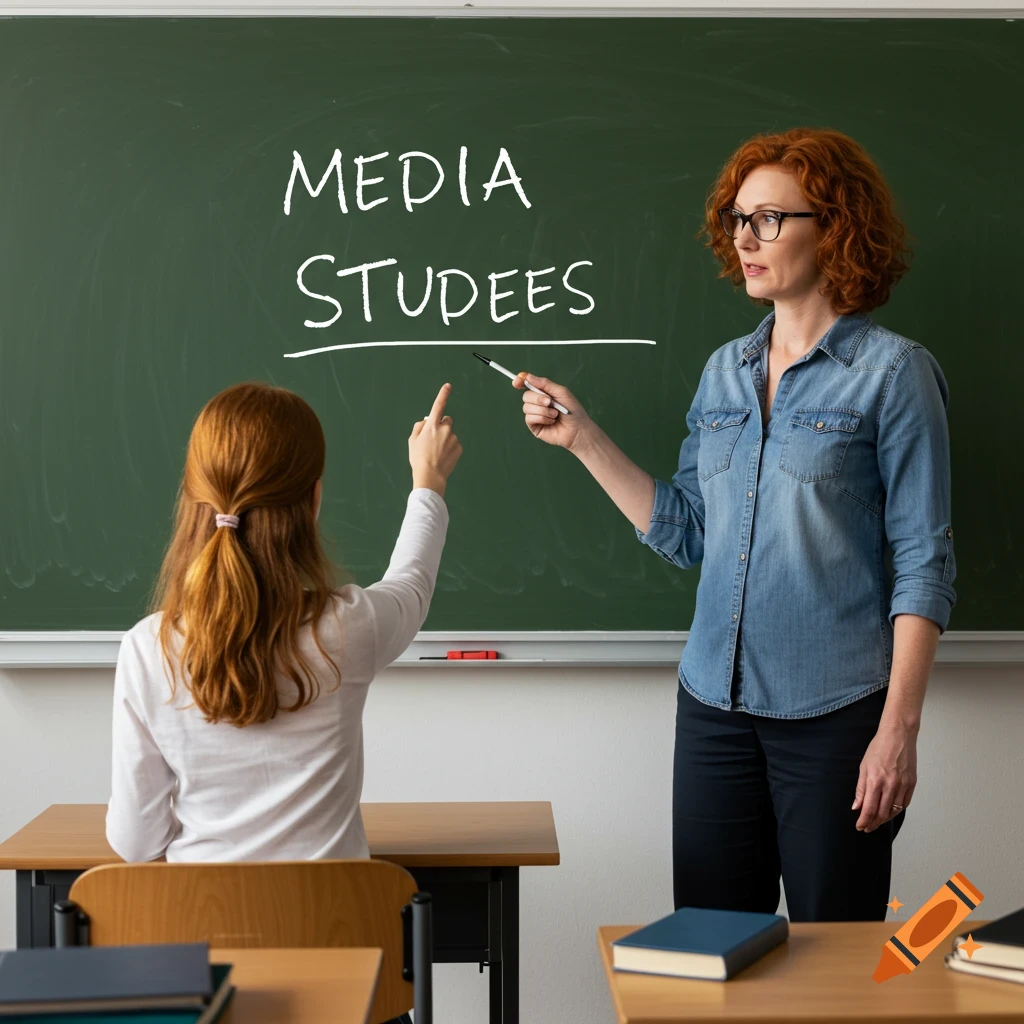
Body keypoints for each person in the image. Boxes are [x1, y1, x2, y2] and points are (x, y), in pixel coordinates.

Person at [513, 127, 955, 922]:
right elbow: (687, 532)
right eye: (737, 220)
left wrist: (898, 732)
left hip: (836, 714)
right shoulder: (725, 370)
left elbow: (925, 562)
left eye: (769, 219)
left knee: (835, 966)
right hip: (712, 707)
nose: (745, 239)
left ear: (837, 227)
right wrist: (581, 437)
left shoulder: (895, 374)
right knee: (714, 954)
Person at [106, 380, 461, 865]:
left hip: (205, 936)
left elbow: (136, 844)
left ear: (193, 496)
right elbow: (412, 584)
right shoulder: (347, 628)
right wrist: (428, 481)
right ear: (313, 500)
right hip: (340, 936)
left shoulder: (148, 649)